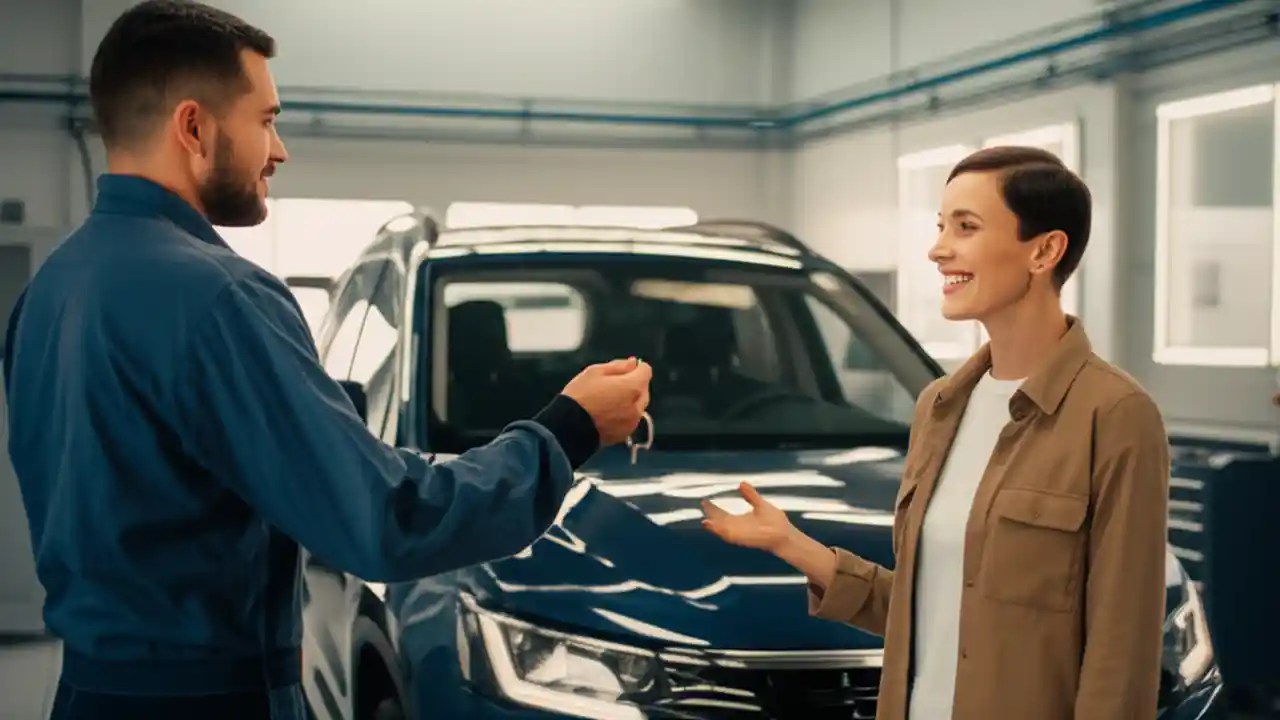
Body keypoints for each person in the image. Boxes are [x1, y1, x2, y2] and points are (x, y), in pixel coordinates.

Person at [1, 2, 652, 719]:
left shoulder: (50, 290)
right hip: (215, 700)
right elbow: (382, 519)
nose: (279, 151)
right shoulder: (220, 297)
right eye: (267, 120)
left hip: (89, 693)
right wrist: (567, 430)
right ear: (193, 127)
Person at [702, 146, 1170, 719]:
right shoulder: (941, 408)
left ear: (1045, 250)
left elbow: (1121, 658)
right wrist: (791, 544)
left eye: (966, 227)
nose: (938, 248)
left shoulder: (1115, 415)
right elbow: (925, 611)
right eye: (941, 225)